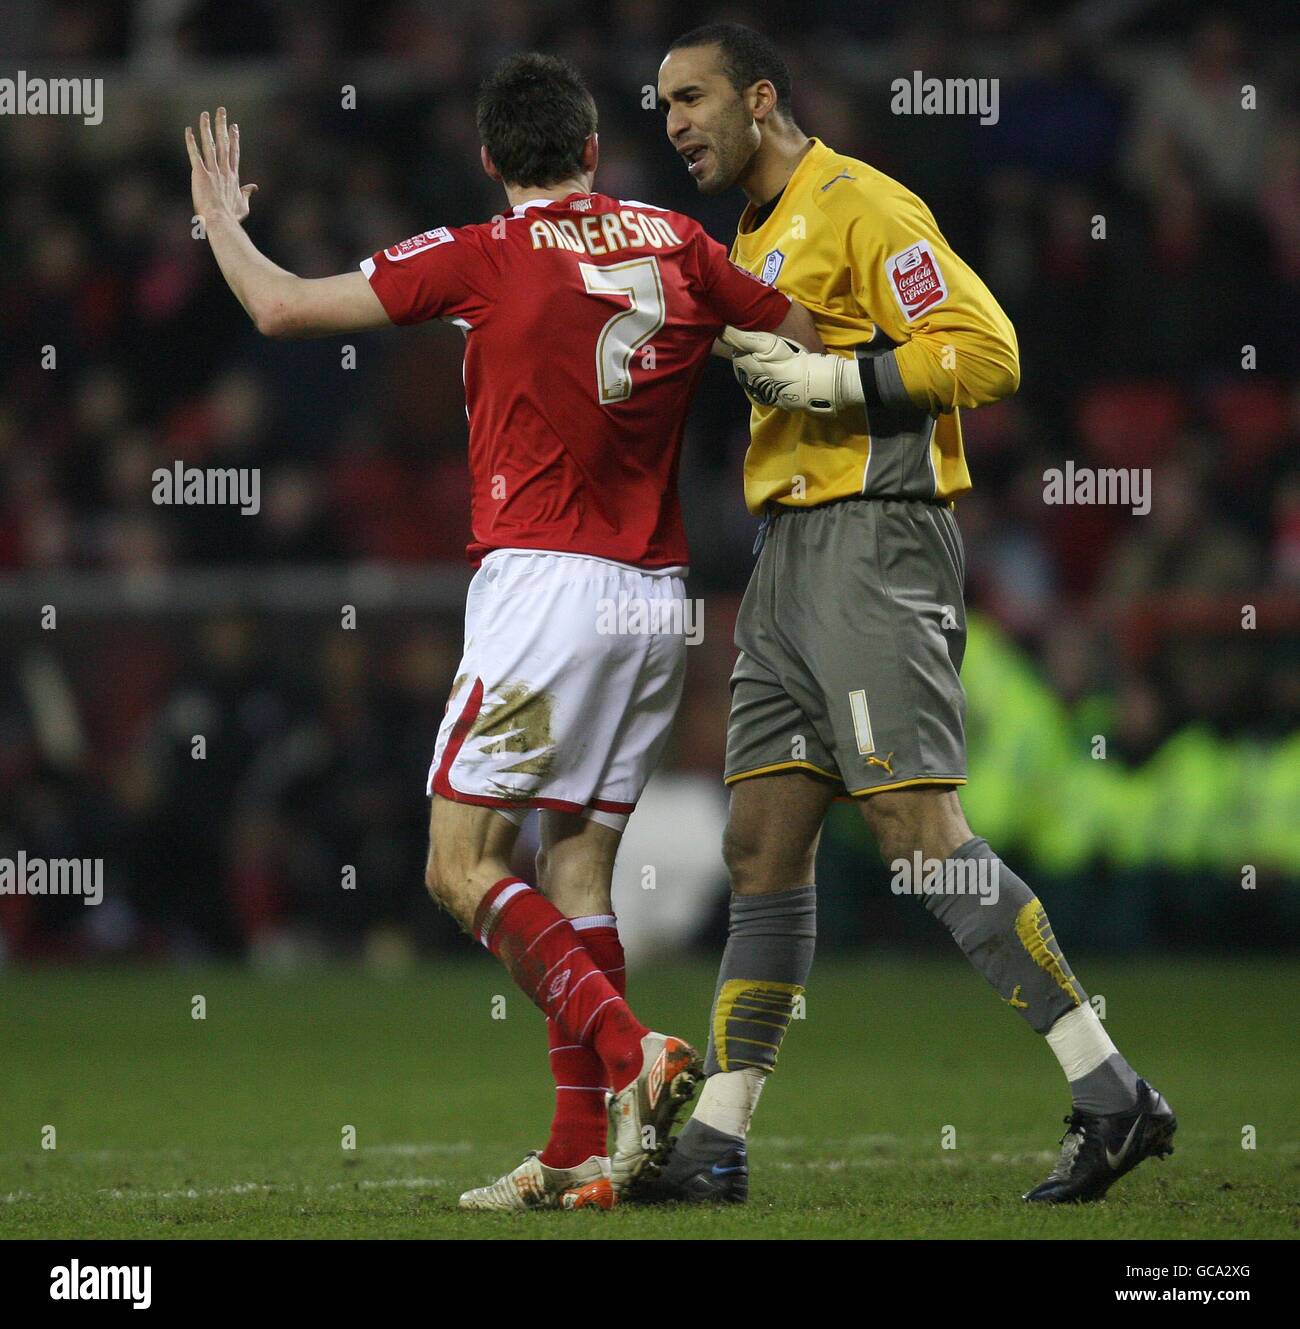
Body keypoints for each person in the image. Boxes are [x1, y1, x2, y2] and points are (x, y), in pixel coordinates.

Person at [184, 51, 817, 1211]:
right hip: (653, 597)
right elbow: (806, 334)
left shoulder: (483, 253)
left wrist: (219, 220)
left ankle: (632, 1052)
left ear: (489, 161)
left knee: (456, 867)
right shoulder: (677, 241)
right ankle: (582, 1152)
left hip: (546, 591)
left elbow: (279, 306)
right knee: (573, 865)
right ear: (591, 151)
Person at [639, 22, 1175, 1206]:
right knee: (760, 847)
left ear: (761, 95)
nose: (671, 122)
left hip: (877, 544)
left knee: (919, 843)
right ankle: (716, 1143)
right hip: (787, 556)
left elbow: (986, 354)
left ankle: (1110, 1092)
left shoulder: (860, 205)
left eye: (692, 98)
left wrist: (835, 380)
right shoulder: (754, 230)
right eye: (660, 103)